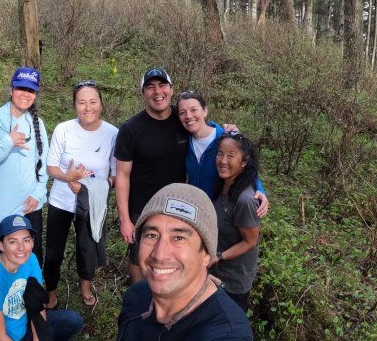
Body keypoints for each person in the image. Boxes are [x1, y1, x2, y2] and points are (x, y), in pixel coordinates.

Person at [112, 184, 255, 341]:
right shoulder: (137, 296)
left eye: (179, 237)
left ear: (207, 254)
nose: (160, 254)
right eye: (151, 235)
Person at [44, 80, 117, 308]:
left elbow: (116, 175)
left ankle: (85, 285)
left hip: (93, 204)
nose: (88, 108)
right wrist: (70, 178)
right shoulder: (63, 129)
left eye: (93, 101)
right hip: (61, 202)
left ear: (101, 104)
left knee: (88, 249)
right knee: (54, 251)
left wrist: (90, 186)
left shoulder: (113, 134)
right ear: (74, 105)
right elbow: (51, 167)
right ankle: (51, 290)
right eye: (82, 102)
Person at [114, 68, 189, 283]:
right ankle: (139, 302)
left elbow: (212, 137)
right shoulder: (130, 129)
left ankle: (165, 300)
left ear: (171, 89)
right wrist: (125, 219)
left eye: (162, 85)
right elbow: (122, 175)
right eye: (150, 86)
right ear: (143, 93)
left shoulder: (183, 118)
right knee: (140, 258)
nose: (157, 92)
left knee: (173, 255)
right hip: (142, 209)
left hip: (177, 206)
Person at [0, 67, 49, 264]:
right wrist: (7, 142)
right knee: (8, 258)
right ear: (11, 89)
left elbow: (43, 163)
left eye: (31, 91)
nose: (26, 94)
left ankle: (32, 292)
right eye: (21, 88)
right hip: (3, 205)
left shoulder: (37, 123)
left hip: (30, 205)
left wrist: (38, 193)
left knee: (32, 255)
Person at [177, 91, 268, 213]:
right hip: (194, 211)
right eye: (182, 112)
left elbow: (247, 165)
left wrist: (259, 189)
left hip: (221, 212)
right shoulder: (184, 140)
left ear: (205, 111)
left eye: (194, 110)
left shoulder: (225, 139)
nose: (188, 116)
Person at [211, 132, 262, 312]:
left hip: (232, 282)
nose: (223, 160)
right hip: (213, 275)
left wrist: (218, 257)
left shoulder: (245, 199)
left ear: (244, 162)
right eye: (220, 154)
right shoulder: (221, 185)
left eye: (231, 156)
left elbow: (250, 241)